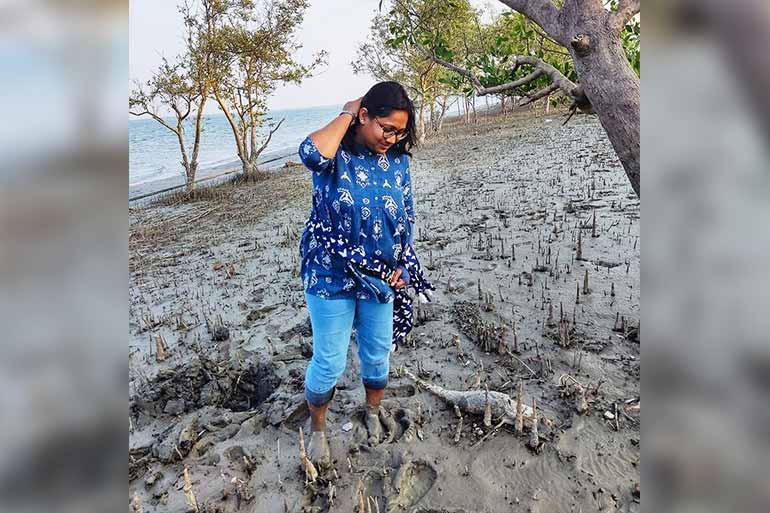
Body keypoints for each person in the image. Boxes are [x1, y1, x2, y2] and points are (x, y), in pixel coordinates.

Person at [296, 81, 430, 468]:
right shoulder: (334, 154)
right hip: (330, 273)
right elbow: (309, 152)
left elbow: (405, 213)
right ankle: (318, 428)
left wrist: (405, 264)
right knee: (330, 361)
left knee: (376, 355)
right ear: (364, 117)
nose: (392, 138)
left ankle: (372, 411)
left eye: (401, 132)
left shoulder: (399, 162)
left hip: (382, 276)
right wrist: (347, 110)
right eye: (386, 128)